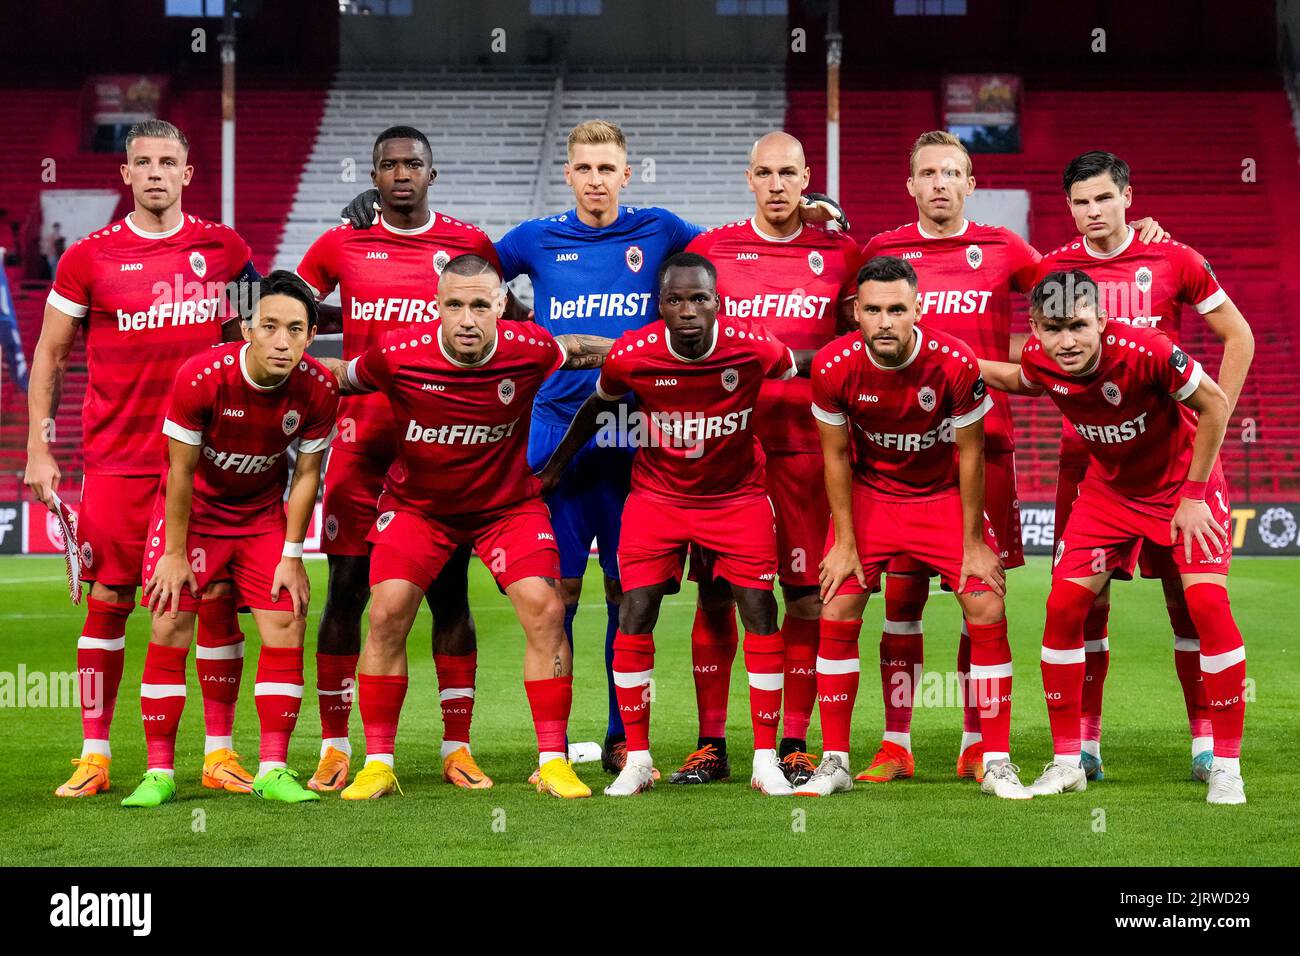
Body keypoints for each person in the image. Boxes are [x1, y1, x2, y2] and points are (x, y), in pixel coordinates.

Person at [341, 117, 846, 776]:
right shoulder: (534, 238)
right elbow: (460, 272)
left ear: (626, 174)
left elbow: (729, 252)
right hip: (555, 430)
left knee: (625, 592)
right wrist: (378, 216)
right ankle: (554, 747)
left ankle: (617, 736)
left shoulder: (663, 229)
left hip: (638, 434)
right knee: (556, 594)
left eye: (608, 169)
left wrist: (808, 213)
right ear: (569, 173)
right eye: (584, 168)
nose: (596, 180)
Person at [855, 130, 1167, 784]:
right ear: (909, 185)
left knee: (980, 597)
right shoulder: (879, 252)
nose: (940, 184)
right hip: (897, 453)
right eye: (927, 174)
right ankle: (895, 742)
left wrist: (1130, 238)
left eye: (952, 173)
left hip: (985, 446)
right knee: (902, 603)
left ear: (972, 184)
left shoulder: (1008, 249)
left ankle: (976, 740)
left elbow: (1081, 284)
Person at [25, 119, 260, 799]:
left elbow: (249, 337)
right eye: (143, 162)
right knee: (108, 601)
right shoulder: (88, 257)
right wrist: (40, 445)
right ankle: (94, 755)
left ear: (188, 174)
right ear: (124, 175)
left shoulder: (223, 248)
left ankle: (219, 753)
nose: (155, 172)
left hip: (204, 459)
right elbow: (52, 352)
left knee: (211, 597)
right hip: (117, 459)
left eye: (168, 161)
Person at [323, 254, 612, 800]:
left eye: (481, 305)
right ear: (437, 306)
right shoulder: (397, 354)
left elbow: (578, 348)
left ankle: (552, 761)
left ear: (502, 306)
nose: (468, 319)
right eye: (455, 305)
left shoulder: (529, 349)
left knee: (546, 607)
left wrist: (651, 354)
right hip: (418, 507)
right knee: (385, 611)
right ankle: (378, 763)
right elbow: (342, 378)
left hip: (506, 507)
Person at [538, 251, 806, 797]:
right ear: (660, 306)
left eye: (699, 298)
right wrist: (553, 469)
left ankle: (764, 759)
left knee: (758, 607)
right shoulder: (634, 355)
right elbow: (596, 407)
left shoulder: (754, 346)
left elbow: (794, 369)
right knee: (635, 610)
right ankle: (637, 757)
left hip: (736, 497)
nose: (688, 309)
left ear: (717, 303)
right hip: (658, 497)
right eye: (676, 300)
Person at [977, 270, 1246, 805]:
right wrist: (935, 355)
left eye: (1078, 325)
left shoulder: (1147, 349)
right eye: (1053, 329)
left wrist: (1193, 496)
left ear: (1102, 319)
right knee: (1063, 608)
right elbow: (1017, 380)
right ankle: (1067, 760)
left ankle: (1227, 766)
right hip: (1109, 495)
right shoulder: (1041, 358)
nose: (1067, 340)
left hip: (1182, 486)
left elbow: (1214, 404)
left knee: (1207, 606)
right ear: (1035, 329)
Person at [296, 126, 502, 791]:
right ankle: (334, 747)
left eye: (413, 163)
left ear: (432, 174)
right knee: (347, 594)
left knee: (449, 593)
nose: (402, 173)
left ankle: (457, 747)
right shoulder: (341, 242)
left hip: (441, 451)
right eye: (389, 165)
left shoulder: (468, 244)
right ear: (375, 175)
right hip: (360, 449)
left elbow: (509, 317)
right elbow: (286, 306)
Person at [1037, 151, 1253, 782]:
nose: (1093, 213)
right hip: (1090, 460)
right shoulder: (1053, 270)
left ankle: (1207, 743)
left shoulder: (1173, 257)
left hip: (1170, 454)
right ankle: (1083, 744)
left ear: (1127, 196)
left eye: (1104, 198)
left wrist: (1210, 420)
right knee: (1083, 601)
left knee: (1188, 602)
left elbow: (1237, 337)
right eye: (1081, 202)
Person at [797, 255, 1028, 800]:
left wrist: (973, 544)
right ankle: (834, 761)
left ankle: (995, 759)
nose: (884, 321)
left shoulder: (955, 361)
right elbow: (835, 458)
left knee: (986, 602)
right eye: (872, 309)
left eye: (896, 309)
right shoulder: (832, 366)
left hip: (941, 497)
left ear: (917, 308)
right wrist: (845, 542)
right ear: (856, 312)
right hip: (873, 498)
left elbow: (970, 455)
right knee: (837, 601)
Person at [672, 131, 859, 787]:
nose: (777, 185)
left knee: (805, 597)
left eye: (788, 173)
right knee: (719, 594)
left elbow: (862, 342)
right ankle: (711, 744)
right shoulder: (709, 251)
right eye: (764, 173)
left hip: (810, 452)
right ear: (746, 179)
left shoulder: (842, 255)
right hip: (725, 454)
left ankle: (796, 743)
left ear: (807, 178)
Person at [122, 272, 337, 807]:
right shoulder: (201, 378)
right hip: (195, 515)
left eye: (295, 329)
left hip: (261, 516)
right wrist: (173, 554)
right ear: (247, 329)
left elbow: (307, 474)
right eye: (269, 327)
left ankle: (272, 768)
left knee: (287, 615)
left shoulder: (320, 388)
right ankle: (159, 773)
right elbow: (179, 472)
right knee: (170, 618)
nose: (282, 341)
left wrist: (293, 554)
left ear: (311, 336)